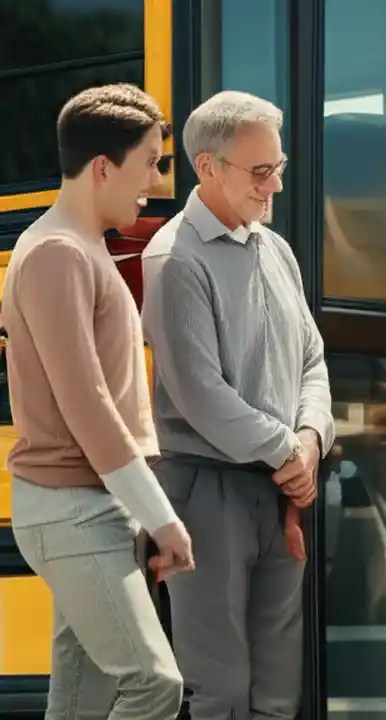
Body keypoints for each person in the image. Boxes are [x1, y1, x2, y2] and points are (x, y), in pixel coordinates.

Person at [140, 89, 335, 718]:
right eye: (260, 171)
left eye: (278, 166)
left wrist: (308, 442)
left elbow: (313, 360)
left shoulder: (276, 250)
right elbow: (201, 396)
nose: (275, 184)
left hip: (279, 490)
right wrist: (290, 451)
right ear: (207, 167)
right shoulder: (174, 260)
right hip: (205, 494)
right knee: (218, 689)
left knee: (278, 691)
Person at [2, 83, 189, 718]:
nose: (156, 182)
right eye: (149, 163)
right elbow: (86, 404)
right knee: (153, 684)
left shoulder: (81, 249)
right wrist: (161, 517)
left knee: (83, 701)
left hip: (91, 510)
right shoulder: (57, 253)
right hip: (74, 513)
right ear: (103, 166)